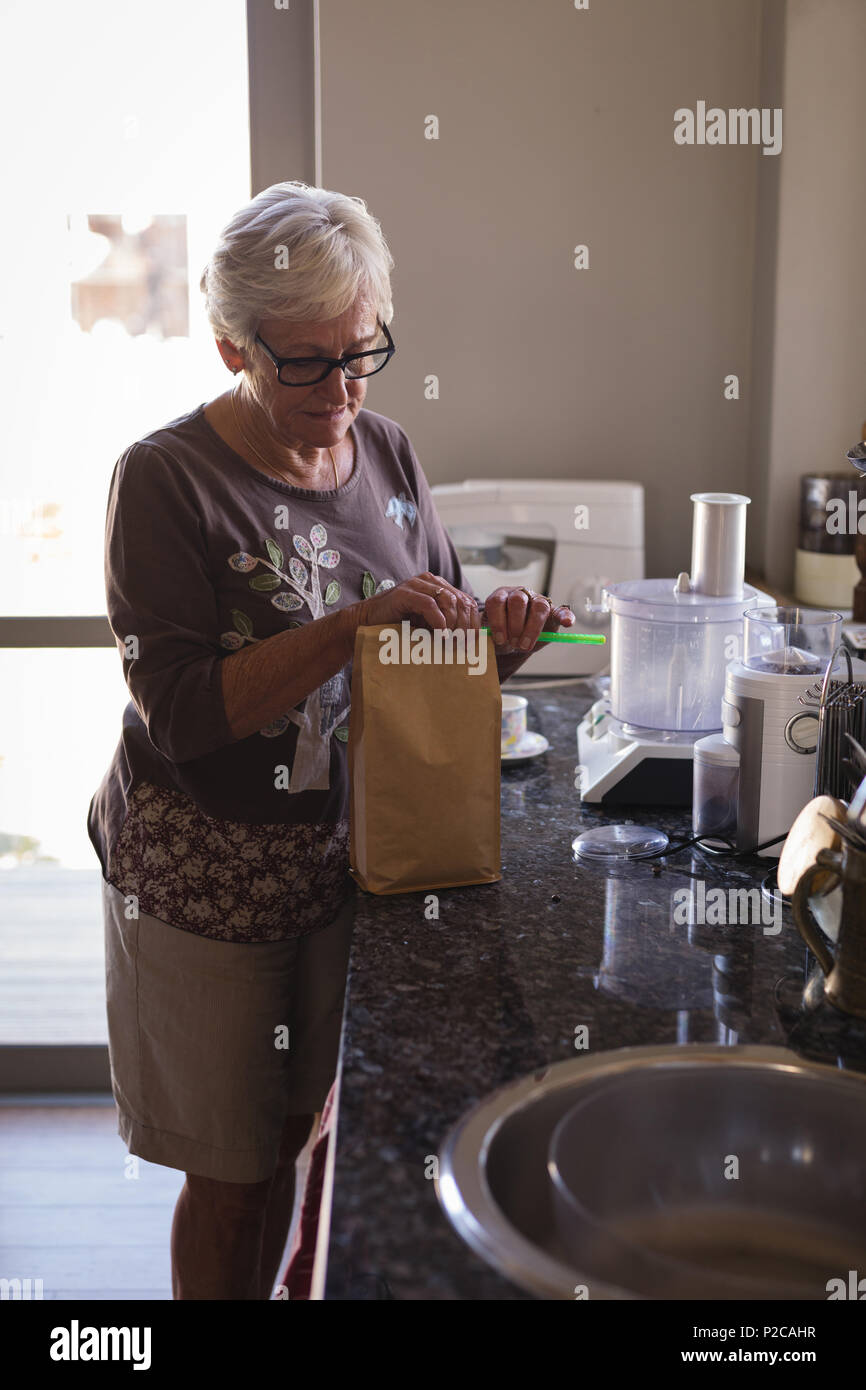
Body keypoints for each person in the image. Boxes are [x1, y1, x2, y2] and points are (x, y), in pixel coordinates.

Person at [87, 180, 575, 1300]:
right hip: (203, 874)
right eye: (302, 362)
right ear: (229, 347)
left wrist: (493, 642)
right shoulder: (164, 479)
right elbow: (179, 708)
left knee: (311, 1142)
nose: (339, 388)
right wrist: (352, 623)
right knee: (230, 1175)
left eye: (359, 353)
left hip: (343, 862)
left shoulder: (389, 456)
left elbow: (423, 673)